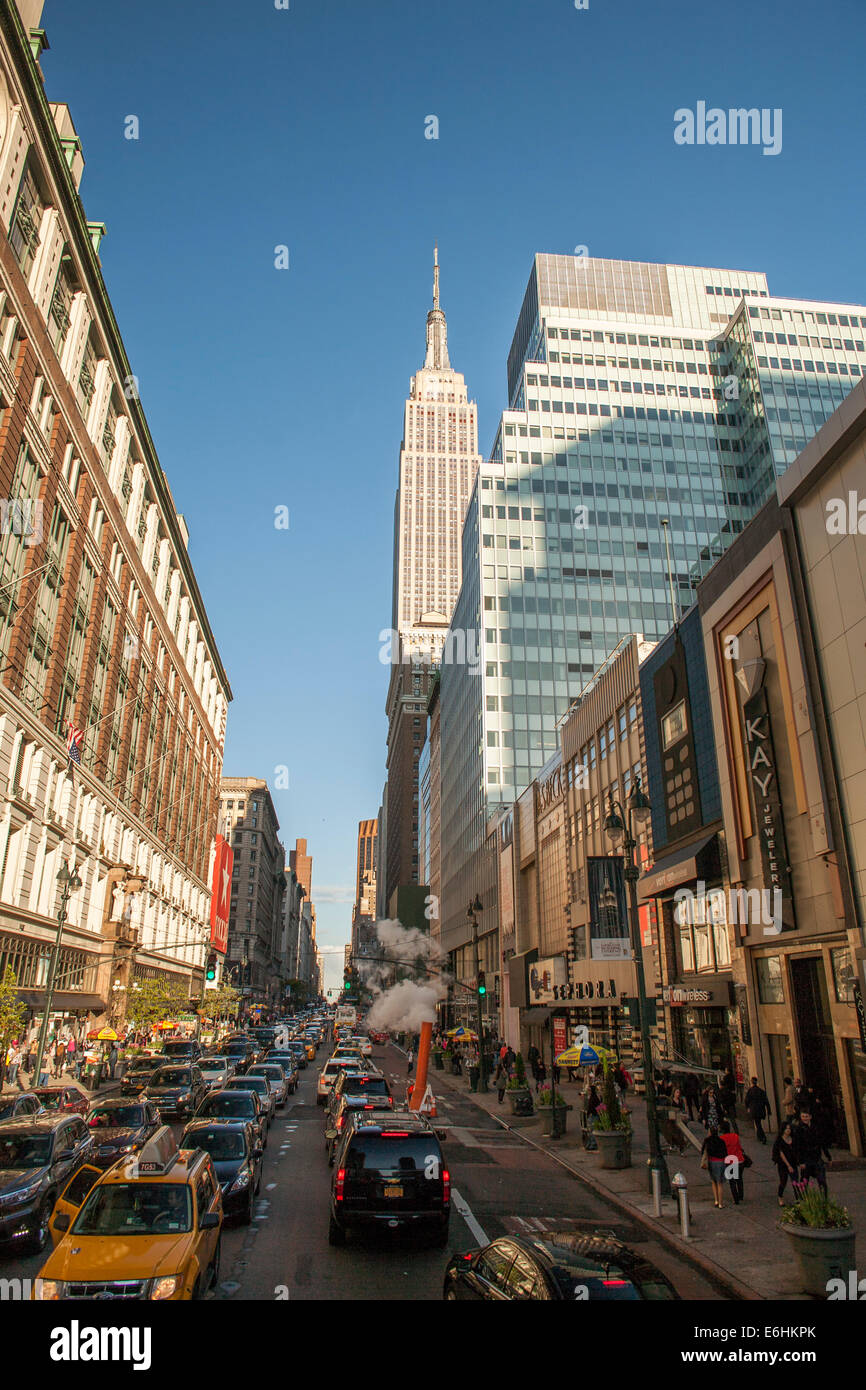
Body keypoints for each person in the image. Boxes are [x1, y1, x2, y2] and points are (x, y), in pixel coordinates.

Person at [793, 1109, 827, 1195]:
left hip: (816, 1157)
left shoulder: (816, 1127)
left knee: (822, 1180)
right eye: (803, 1116)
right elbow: (798, 1147)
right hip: (805, 1158)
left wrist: (827, 1156)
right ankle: (803, 1199)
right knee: (804, 1181)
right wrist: (801, 1162)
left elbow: (821, 1142)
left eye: (806, 1116)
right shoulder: (799, 1129)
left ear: (810, 1117)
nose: (805, 1118)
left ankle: (824, 1198)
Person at [720, 1120, 748, 1204]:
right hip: (739, 1160)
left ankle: (736, 1199)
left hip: (729, 1161)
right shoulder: (735, 1136)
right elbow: (739, 1147)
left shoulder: (722, 1139)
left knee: (732, 1181)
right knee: (739, 1178)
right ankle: (741, 1195)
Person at [701, 1126, 728, 1208]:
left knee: (713, 1181)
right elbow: (725, 1152)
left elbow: (703, 1151)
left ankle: (716, 1200)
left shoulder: (707, 1141)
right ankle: (720, 1203)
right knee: (720, 1183)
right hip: (720, 1162)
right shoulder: (721, 1141)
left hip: (711, 1161)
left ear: (710, 1132)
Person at [772, 1122, 797, 1206]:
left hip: (793, 1163)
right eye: (786, 1129)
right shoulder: (779, 1141)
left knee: (795, 1182)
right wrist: (788, 1165)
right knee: (783, 1181)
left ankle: (798, 1199)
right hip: (783, 1165)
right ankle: (780, 1196)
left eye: (789, 1129)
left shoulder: (793, 1139)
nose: (788, 1130)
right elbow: (780, 1154)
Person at [744, 1076, 771, 1144]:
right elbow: (766, 1101)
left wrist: (747, 1107)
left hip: (754, 1110)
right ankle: (759, 1136)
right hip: (761, 1109)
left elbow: (746, 1100)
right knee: (758, 1123)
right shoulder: (761, 1091)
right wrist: (769, 1110)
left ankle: (762, 1137)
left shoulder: (750, 1091)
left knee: (758, 1124)